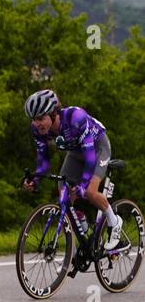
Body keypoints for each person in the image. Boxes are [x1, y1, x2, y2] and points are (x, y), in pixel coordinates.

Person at [22, 88, 122, 256]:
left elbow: (90, 158)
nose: (37, 123)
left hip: (97, 149)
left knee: (89, 191)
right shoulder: (37, 130)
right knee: (64, 195)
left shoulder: (76, 118)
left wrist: (83, 184)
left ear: (54, 114)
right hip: (76, 153)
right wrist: (35, 179)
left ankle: (114, 221)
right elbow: (43, 160)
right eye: (34, 119)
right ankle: (82, 232)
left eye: (41, 118)